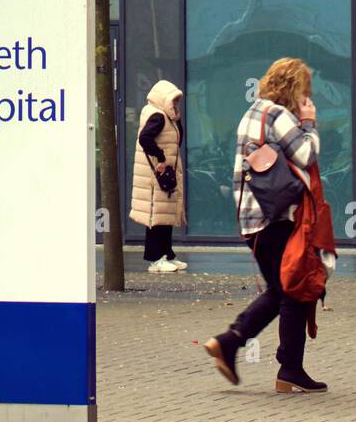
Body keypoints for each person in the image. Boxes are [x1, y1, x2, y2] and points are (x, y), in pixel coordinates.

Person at [204, 57, 327, 393]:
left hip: (252, 219)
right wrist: (310, 123)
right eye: (305, 90)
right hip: (274, 218)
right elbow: (306, 155)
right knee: (291, 291)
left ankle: (246, 349)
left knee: (286, 289)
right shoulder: (278, 115)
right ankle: (268, 359)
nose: (307, 97)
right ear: (293, 87)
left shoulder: (253, 112)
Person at [130, 79, 187, 274]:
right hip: (157, 174)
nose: (176, 104)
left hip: (163, 173)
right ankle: (155, 259)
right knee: (156, 216)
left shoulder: (164, 116)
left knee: (165, 215)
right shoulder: (158, 116)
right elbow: (145, 138)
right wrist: (161, 157)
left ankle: (167, 254)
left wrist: (176, 118)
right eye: (173, 100)